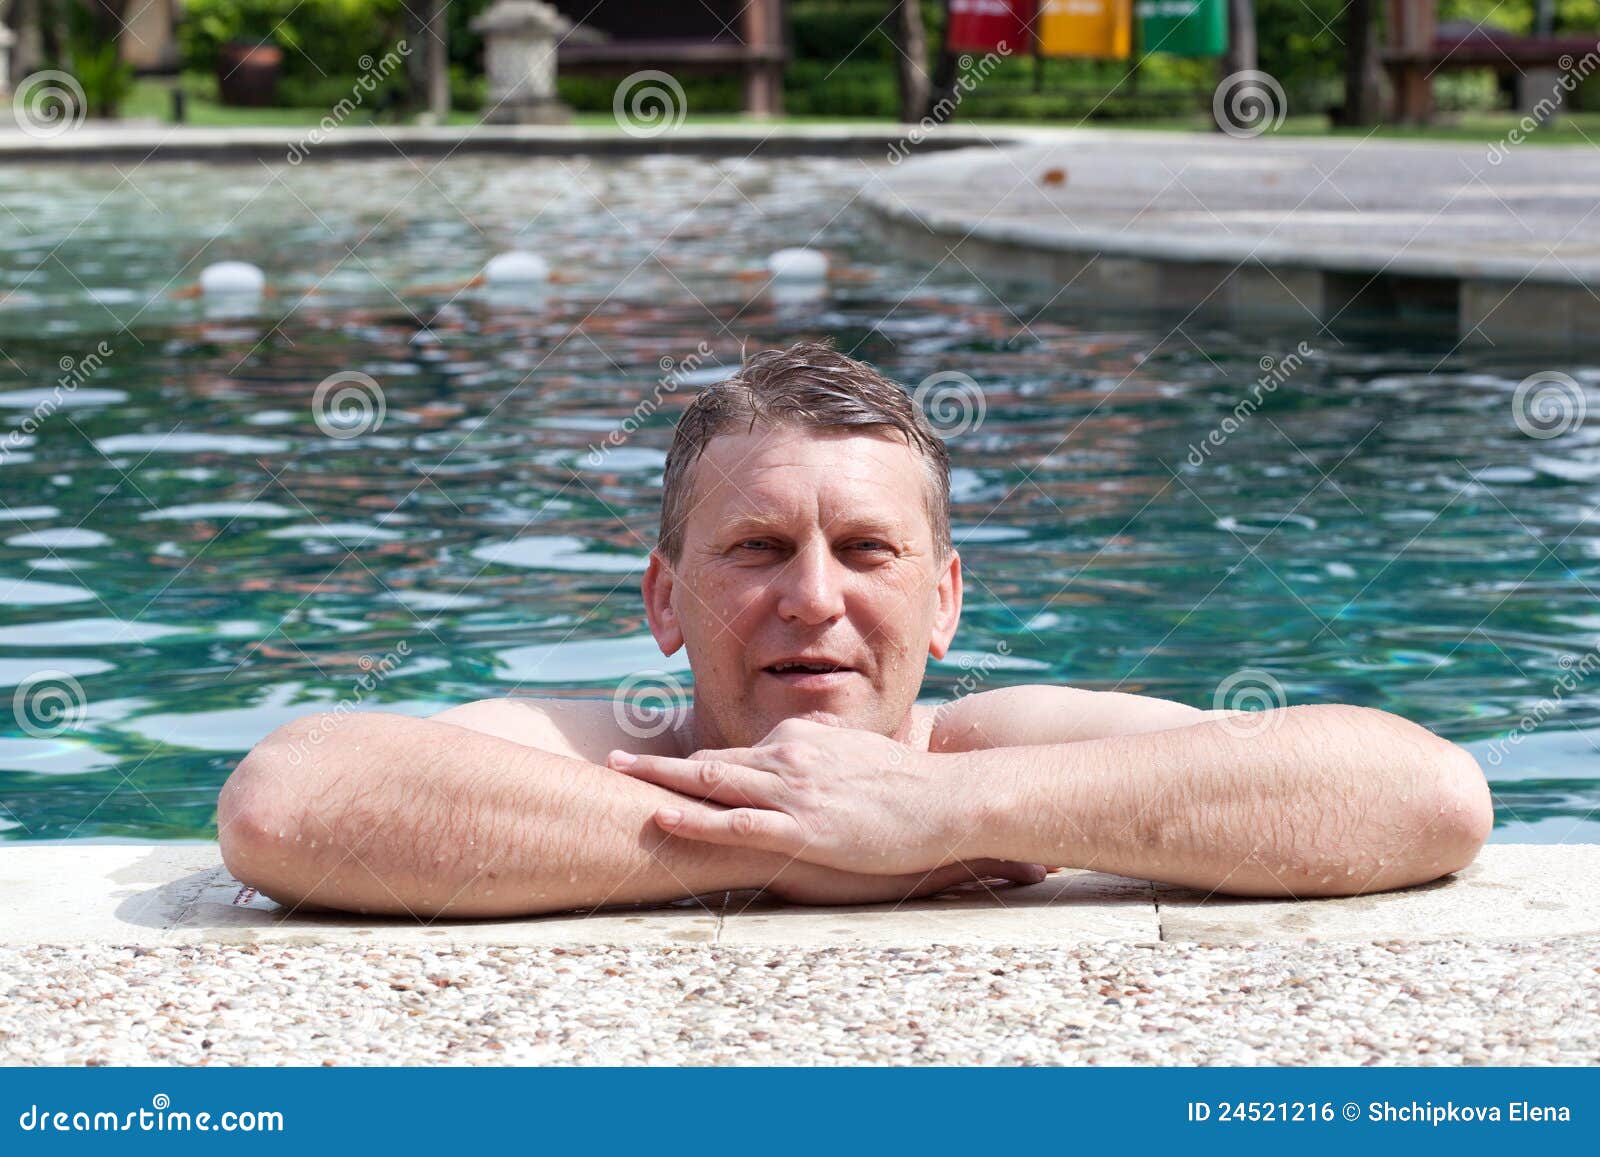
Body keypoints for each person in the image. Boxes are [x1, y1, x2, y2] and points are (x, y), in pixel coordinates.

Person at [217, 341, 1493, 919]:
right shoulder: (615, 745)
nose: (814, 599)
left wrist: (943, 814)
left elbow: (1424, 792)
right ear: (665, 600)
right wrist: (792, 850)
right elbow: (289, 798)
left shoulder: (987, 747)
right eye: (756, 548)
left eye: (868, 551)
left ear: (944, 599)